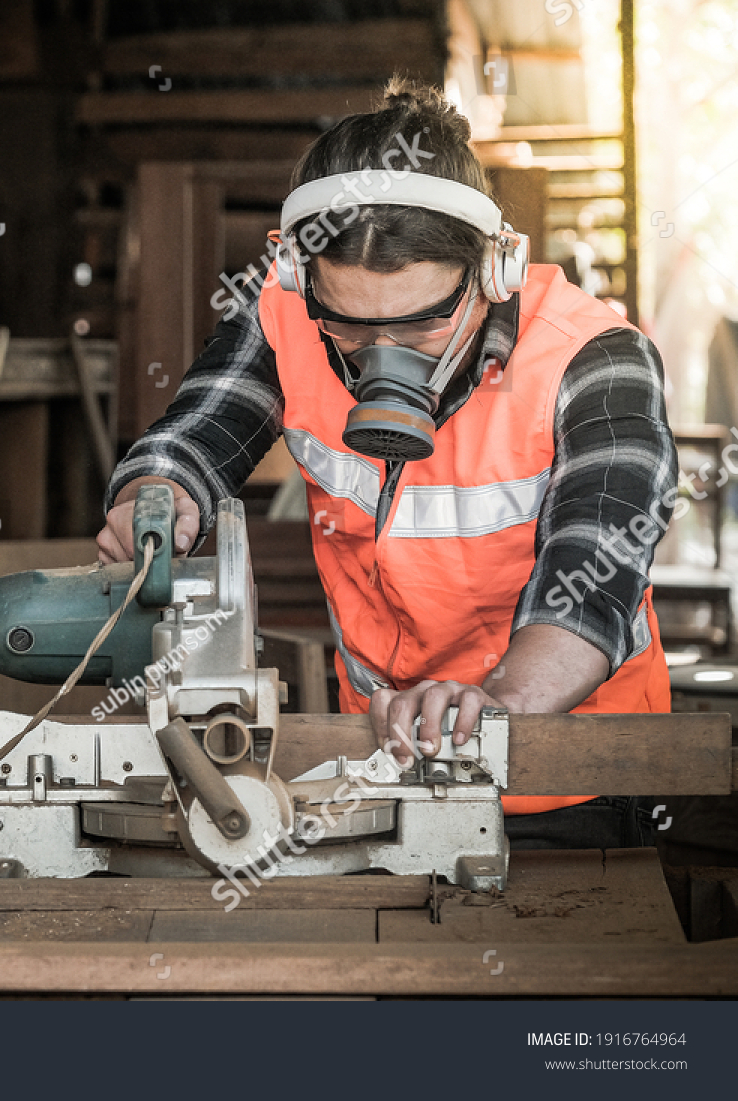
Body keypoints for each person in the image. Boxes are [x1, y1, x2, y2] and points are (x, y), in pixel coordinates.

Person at [95, 79, 676, 850]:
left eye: (425, 322)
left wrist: (494, 703)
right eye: (350, 325)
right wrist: (157, 493)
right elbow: (199, 429)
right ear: (305, 283)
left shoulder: (593, 358)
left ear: (492, 274)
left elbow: (596, 570)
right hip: (381, 770)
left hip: (574, 781)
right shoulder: (291, 316)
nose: (383, 355)